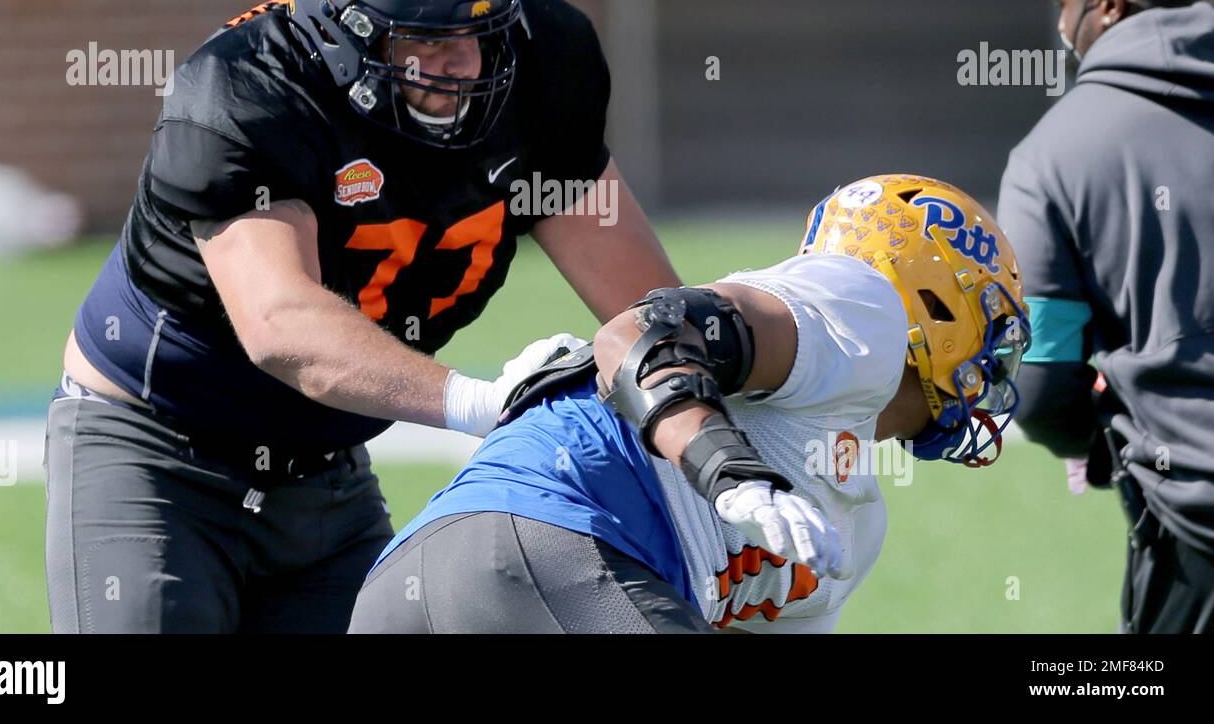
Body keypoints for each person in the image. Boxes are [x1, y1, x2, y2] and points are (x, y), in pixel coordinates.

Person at [44, 0, 680, 633]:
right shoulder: (242, 92)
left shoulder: (545, 63)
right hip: (156, 450)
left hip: (326, 474)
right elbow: (285, 328)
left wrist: (724, 449)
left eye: (479, 31)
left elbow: (644, 306)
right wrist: (481, 402)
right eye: (428, 42)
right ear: (340, 36)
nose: (468, 66)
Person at [348, 174, 1030, 633]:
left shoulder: (853, 523)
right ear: (932, 301)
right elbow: (645, 329)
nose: (990, 370)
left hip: (409, 588)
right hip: (551, 542)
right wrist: (727, 470)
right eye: (986, 328)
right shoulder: (864, 315)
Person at [999, 0, 1214, 632]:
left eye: (1064, 5)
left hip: (1193, 534)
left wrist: (1092, 442)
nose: (1063, 25)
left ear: (1110, 2)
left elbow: (1044, 389)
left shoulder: (1052, 156)